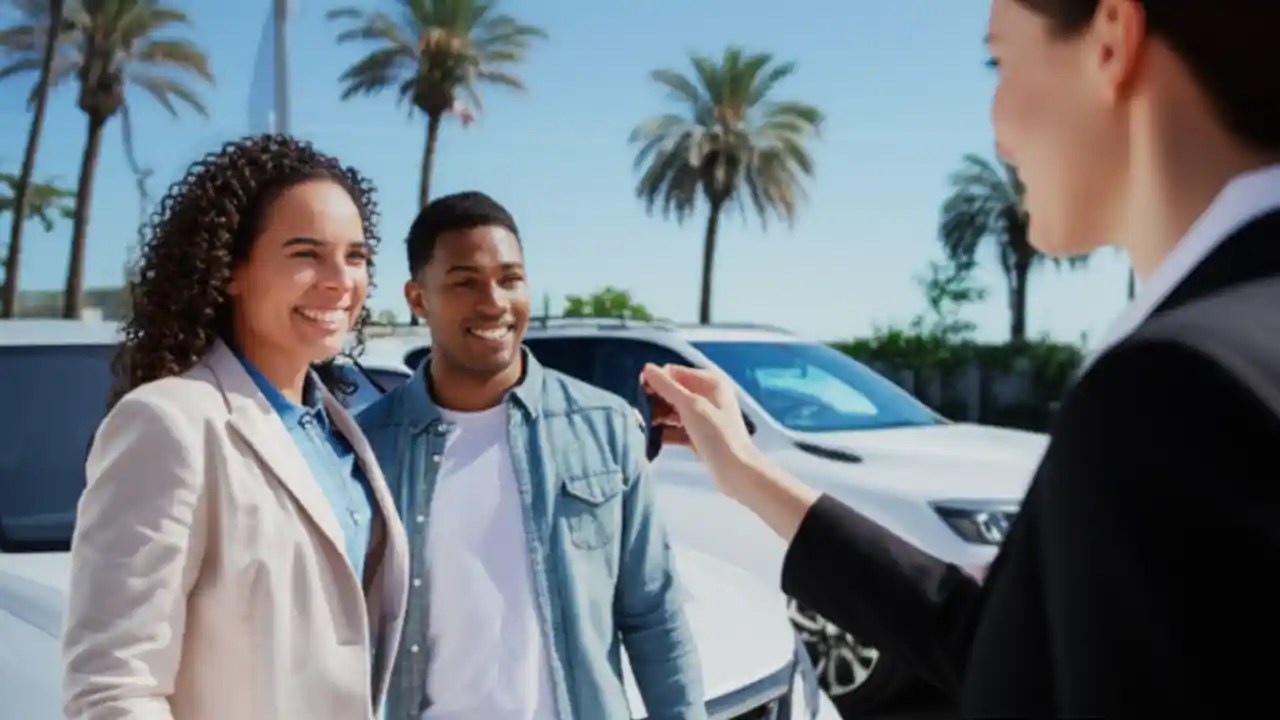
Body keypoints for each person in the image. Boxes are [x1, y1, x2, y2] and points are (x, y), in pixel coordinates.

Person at [641, 0, 1280, 716]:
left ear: (1111, 41)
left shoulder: (1173, 390)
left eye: (998, 62)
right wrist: (749, 474)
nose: (998, 133)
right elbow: (990, 643)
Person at [60, 134, 409, 720]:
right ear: (230, 271)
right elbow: (112, 687)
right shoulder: (169, 424)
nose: (339, 280)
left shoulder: (337, 435)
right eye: (306, 253)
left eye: (356, 256)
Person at [357, 191, 706, 720]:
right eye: (465, 281)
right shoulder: (368, 448)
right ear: (418, 297)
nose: (494, 301)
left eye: (510, 279)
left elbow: (654, 615)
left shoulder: (605, 427)